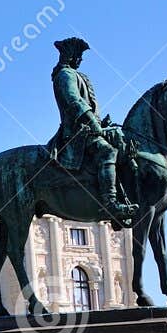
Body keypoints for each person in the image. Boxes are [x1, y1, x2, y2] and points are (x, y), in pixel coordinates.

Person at [47, 37, 134, 225]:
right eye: (78, 55)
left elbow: (88, 106)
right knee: (108, 151)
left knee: (123, 144)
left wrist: (101, 123)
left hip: (89, 129)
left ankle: (124, 196)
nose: (80, 59)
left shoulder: (77, 75)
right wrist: (93, 124)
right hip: (77, 134)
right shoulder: (64, 75)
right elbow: (74, 101)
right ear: (70, 56)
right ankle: (110, 203)